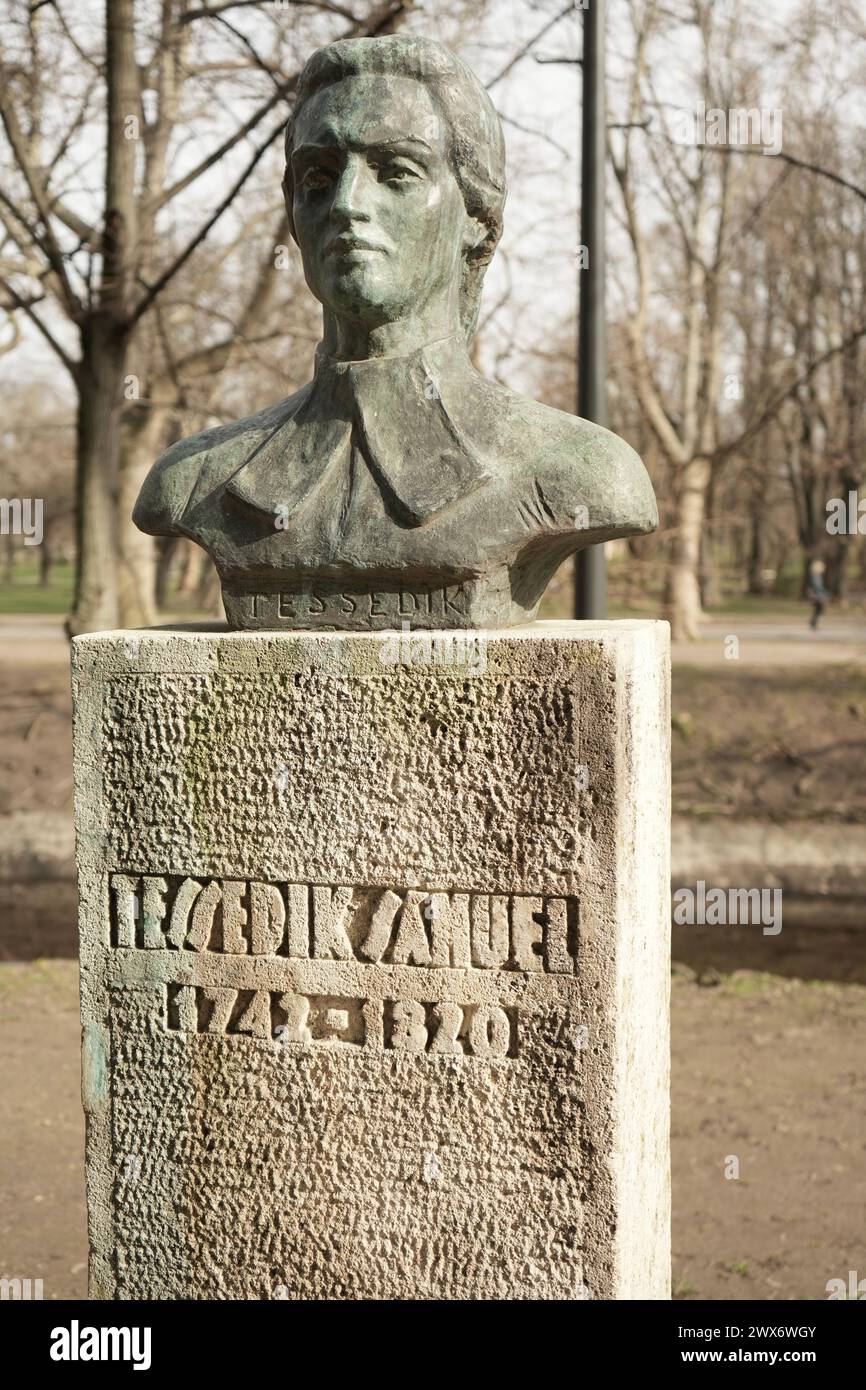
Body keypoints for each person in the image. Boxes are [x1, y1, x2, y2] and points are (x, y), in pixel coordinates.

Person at [134, 36, 657, 631]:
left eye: (397, 172)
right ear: (294, 216)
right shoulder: (193, 479)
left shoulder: (582, 472)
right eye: (319, 177)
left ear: (477, 222)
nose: (347, 203)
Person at [807, 559, 828, 629]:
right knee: (819, 610)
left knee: (818, 610)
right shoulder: (816, 577)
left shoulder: (816, 576)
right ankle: (813, 623)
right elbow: (817, 587)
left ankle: (813, 623)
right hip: (817, 596)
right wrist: (823, 595)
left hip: (818, 595)